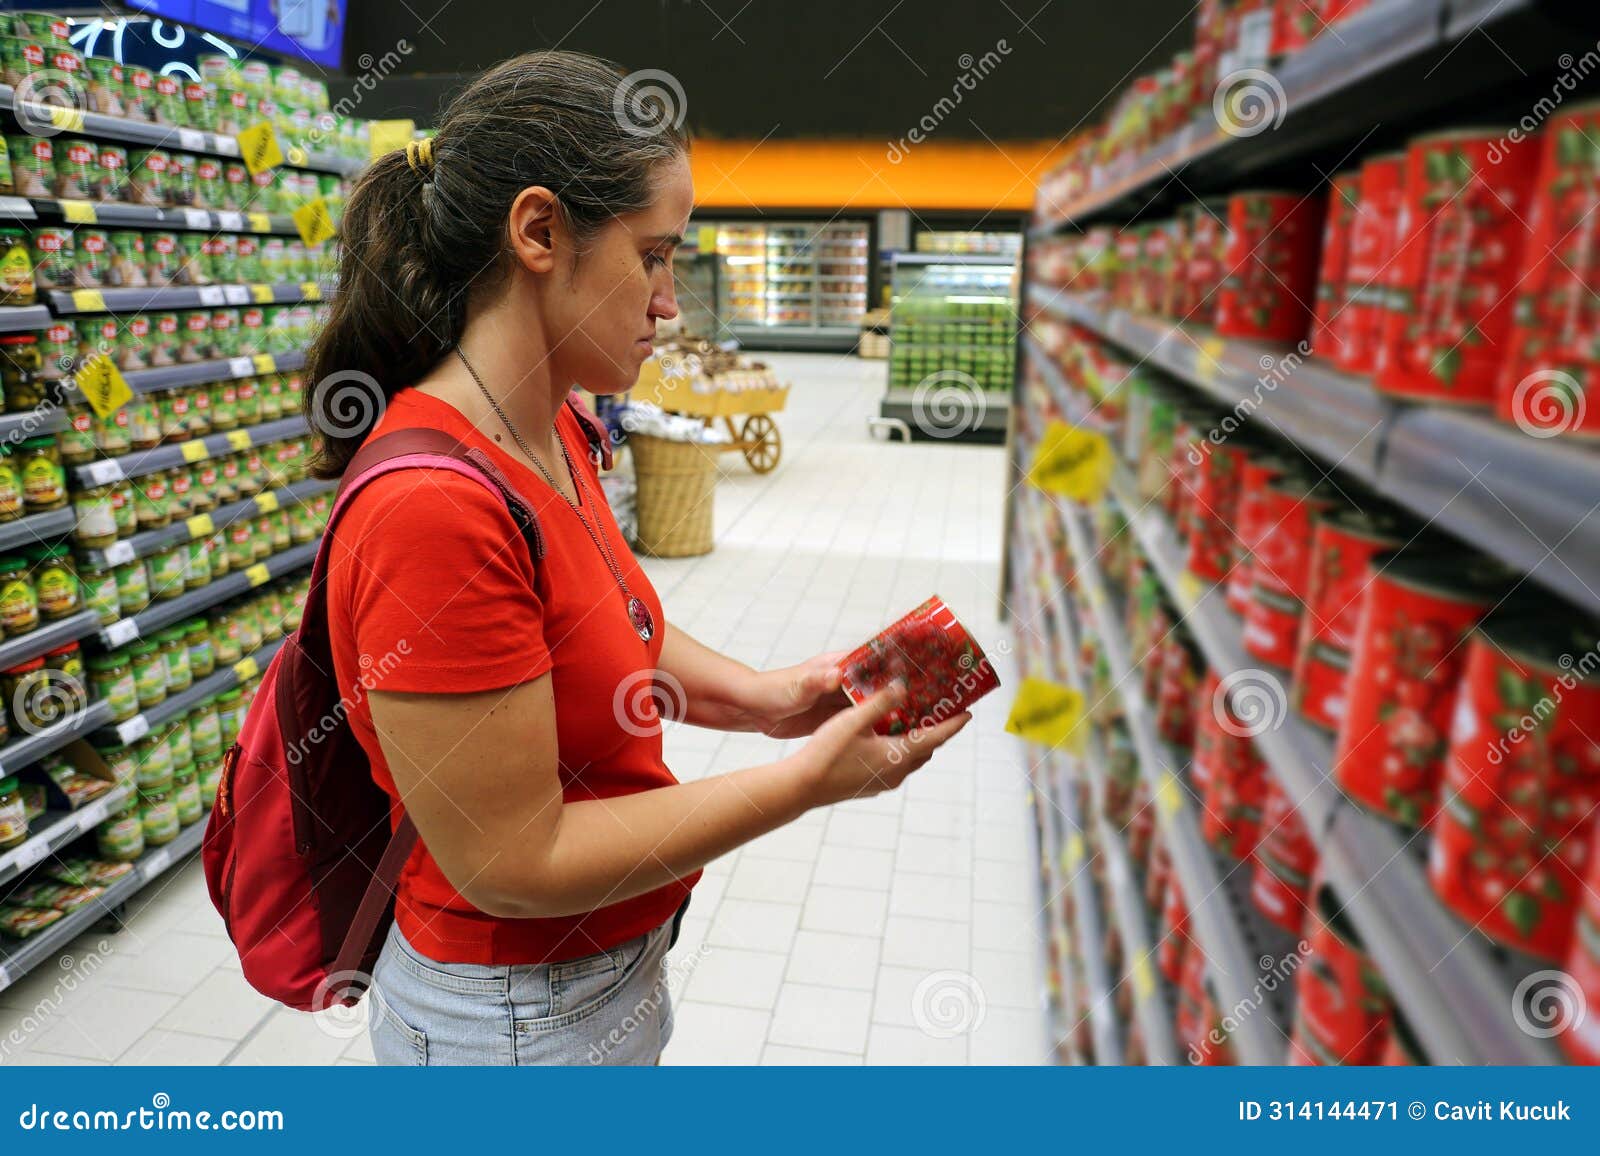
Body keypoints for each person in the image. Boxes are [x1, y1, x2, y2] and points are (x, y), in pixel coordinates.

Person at [304, 50, 970, 1066]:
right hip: (512, 1020)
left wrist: (764, 698)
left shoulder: (548, 425)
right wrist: (804, 783)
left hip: (597, 977)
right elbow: (512, 862)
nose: (670, 303)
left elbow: (607, 625)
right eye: (654, 256)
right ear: (538, 232)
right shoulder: (434, 509)